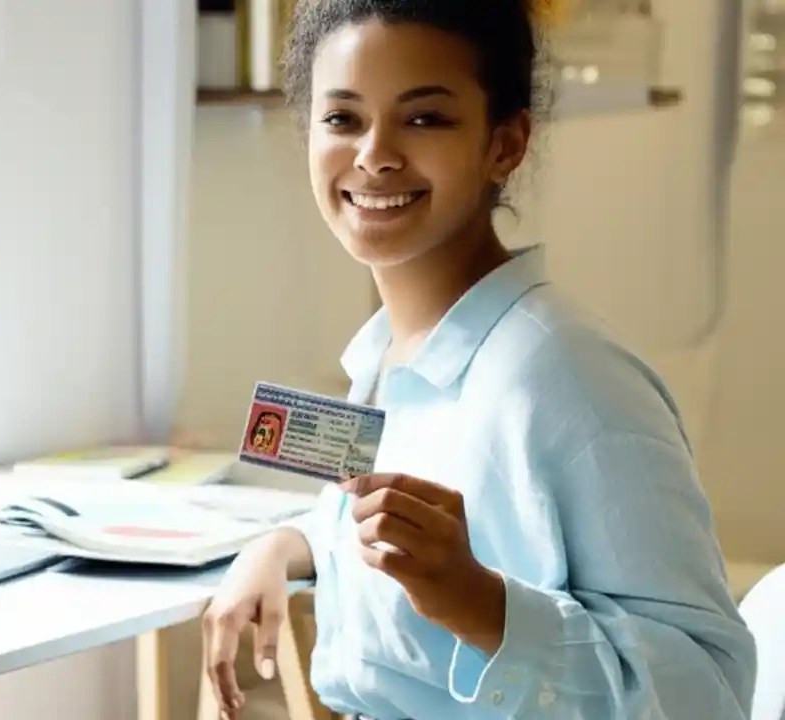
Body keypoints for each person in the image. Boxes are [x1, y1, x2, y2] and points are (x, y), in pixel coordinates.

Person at [200, 1, 757, 718]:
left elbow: (708, 695)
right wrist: (283, 547)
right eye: (342, 119)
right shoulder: (387, 359)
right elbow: (380, 528)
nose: (374, 155)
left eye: (425, 118)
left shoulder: (569, 379)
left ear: (506, 143)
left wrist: (483, 607)